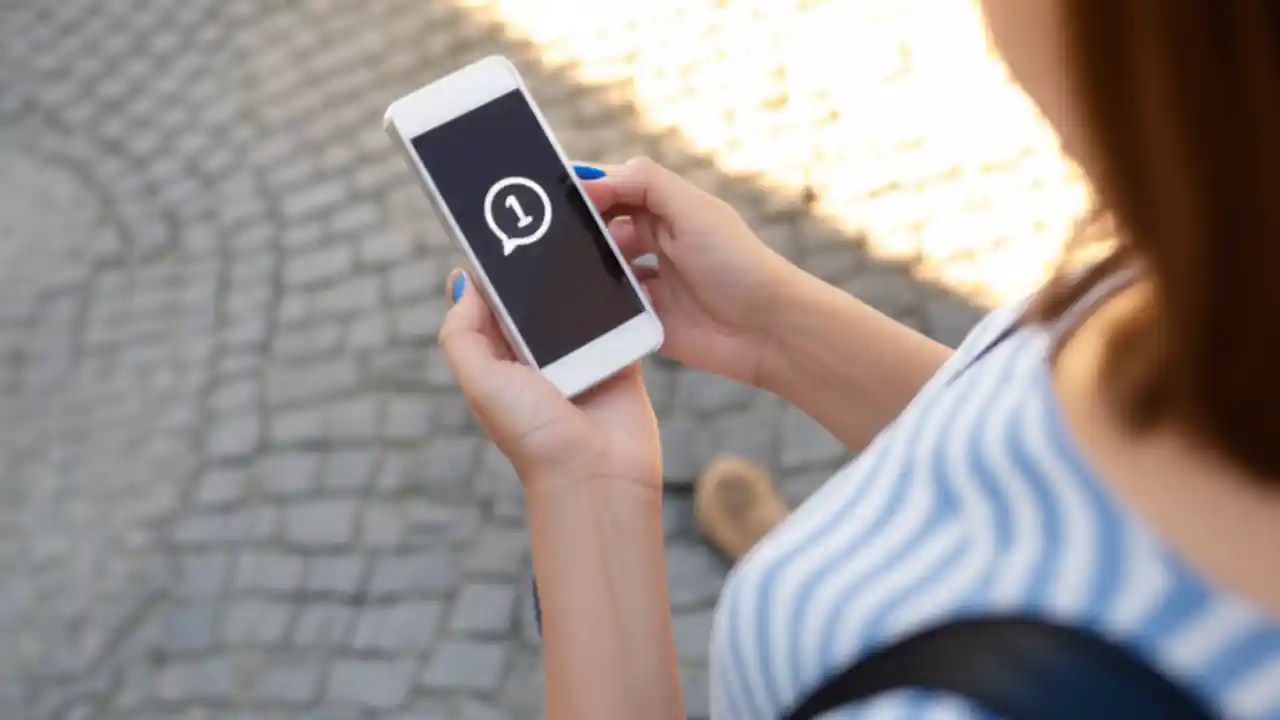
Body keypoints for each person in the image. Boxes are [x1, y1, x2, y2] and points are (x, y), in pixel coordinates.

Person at [437, 0, 1280, 717]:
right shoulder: (1226, 247)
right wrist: (780, 331)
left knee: (797, 604)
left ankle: (818, 613)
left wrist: (589, 490)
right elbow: (1061, 457)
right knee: (828, 574)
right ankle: (849, 573)